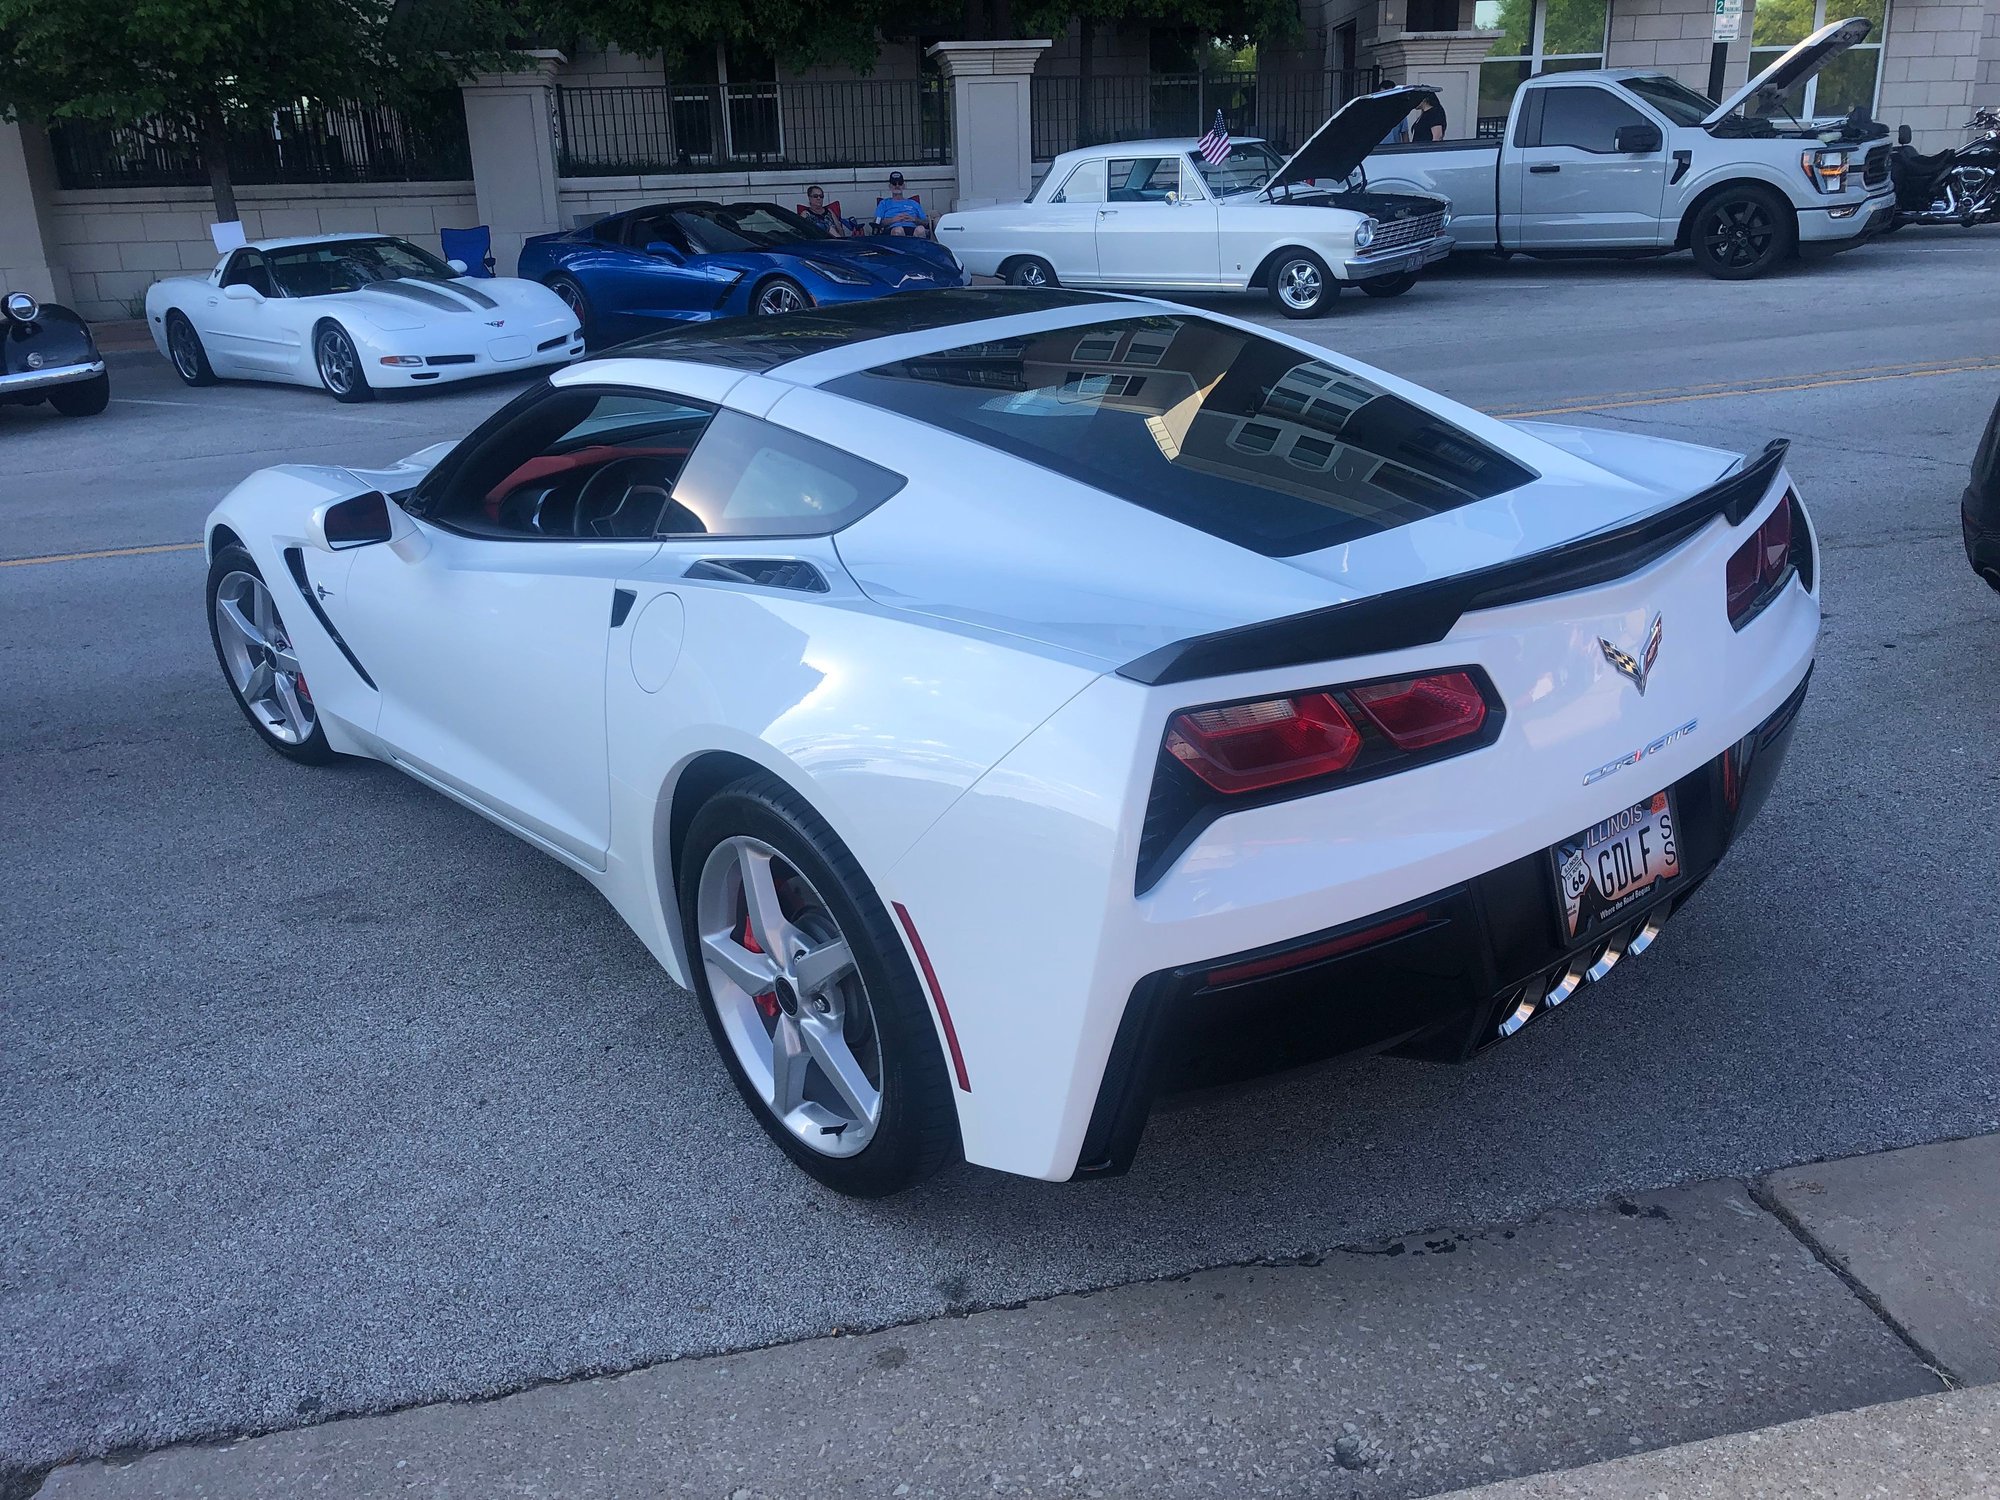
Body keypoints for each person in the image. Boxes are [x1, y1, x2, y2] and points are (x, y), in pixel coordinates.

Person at [875, 172, 929, 237]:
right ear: (890, 186)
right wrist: (893, 220)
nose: (897, 186)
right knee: (898, 230)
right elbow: (876, 222)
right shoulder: (884, 203)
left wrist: (915, 219)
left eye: (900, 183)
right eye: (894, 184)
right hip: (893, 229)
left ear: (904, 186)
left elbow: (926, 222)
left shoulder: (913, 203)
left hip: (912, 228)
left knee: (921, 229)